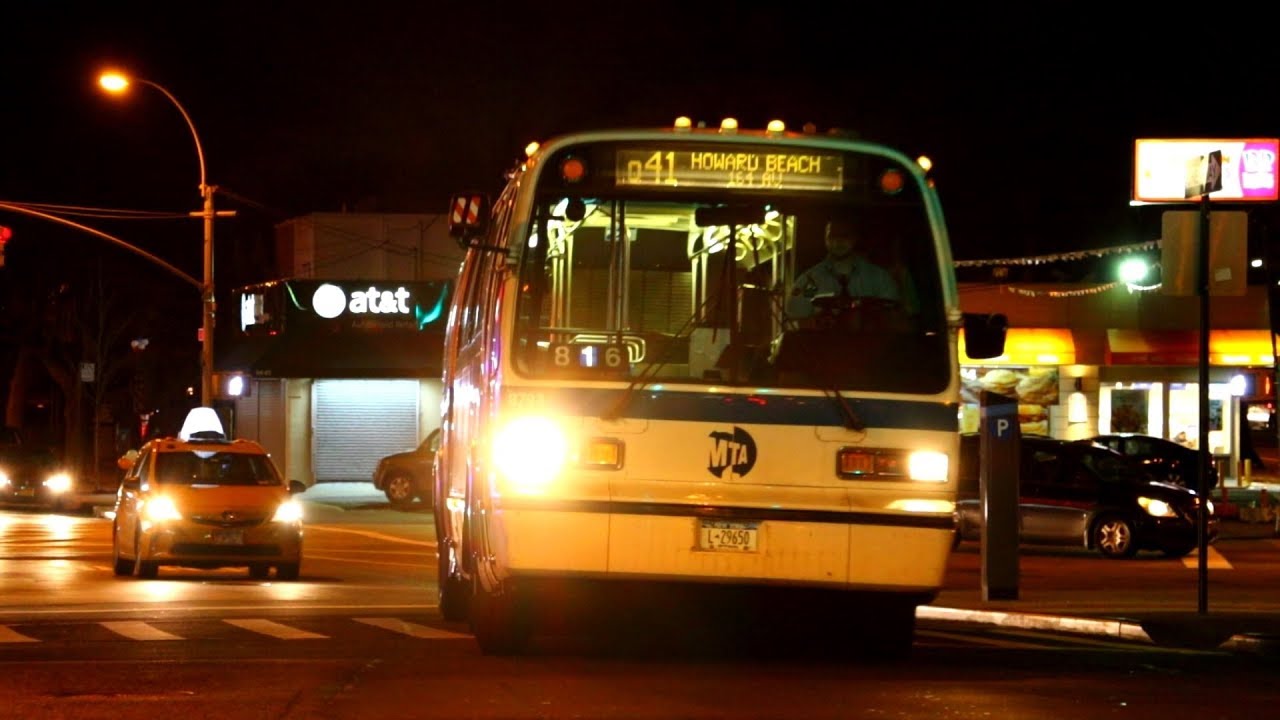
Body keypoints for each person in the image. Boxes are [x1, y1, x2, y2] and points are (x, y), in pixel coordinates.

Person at [787, 219, 900, 321]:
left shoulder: (878, 278)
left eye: (845, 236)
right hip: (825, 342)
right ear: (825, 239)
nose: (839, 241)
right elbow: (797, 315)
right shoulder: (812, 280)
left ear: (855, 238)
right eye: (833, 236)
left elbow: (893, 315)